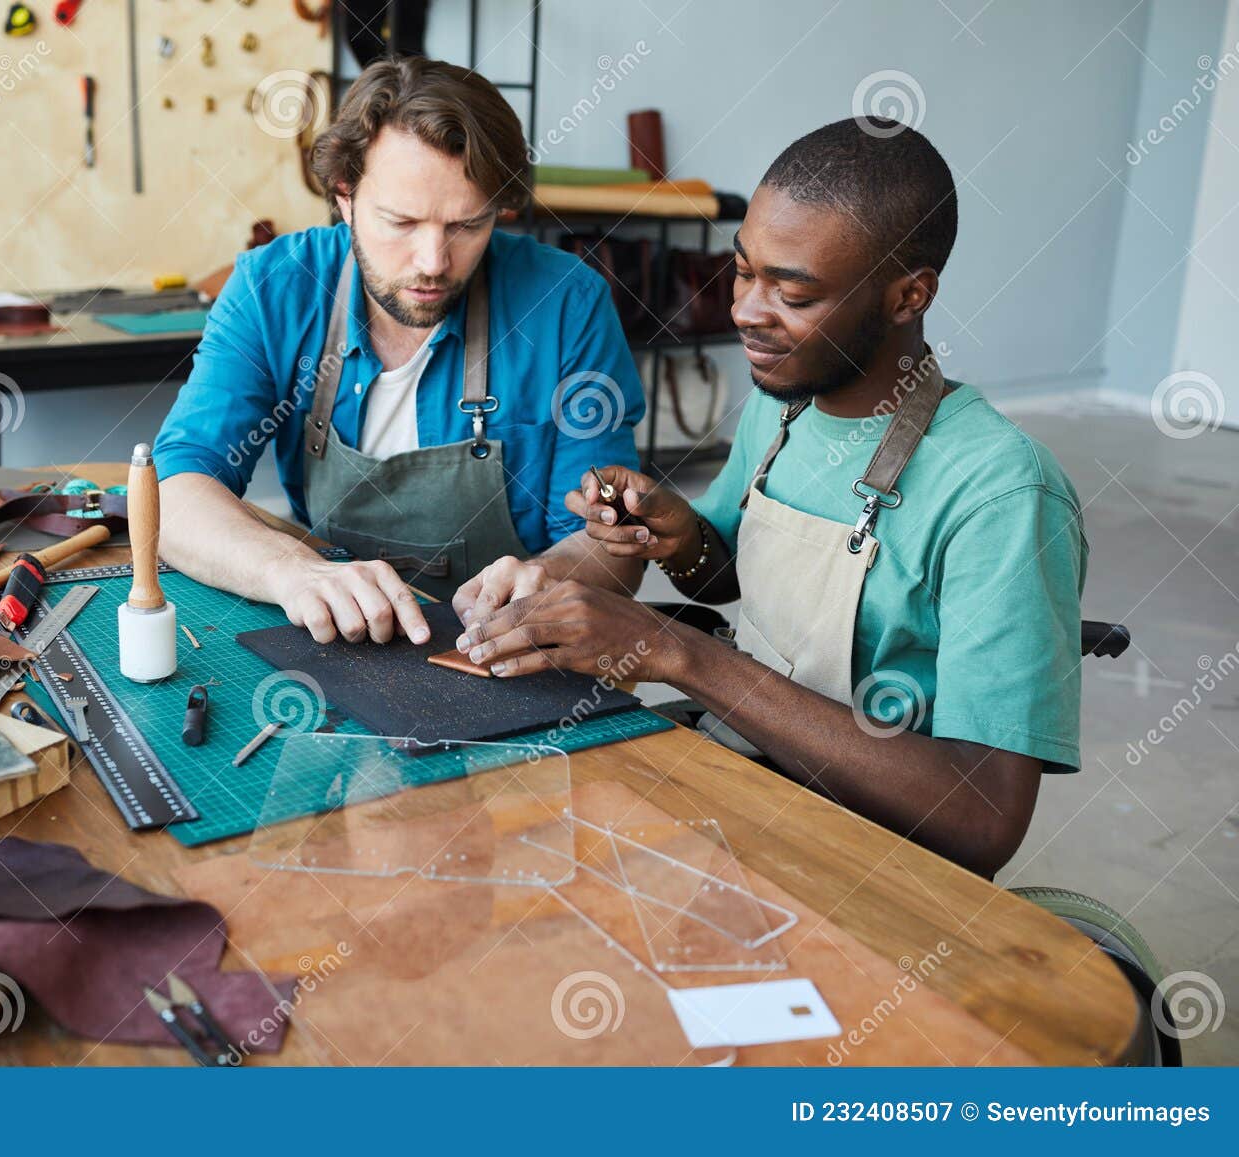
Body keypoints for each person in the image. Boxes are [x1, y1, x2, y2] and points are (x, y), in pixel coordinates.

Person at [455, 117, 1089, 878]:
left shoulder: (1001, 493)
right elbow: (729, 579)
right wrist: (681, 534)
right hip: (742, 771)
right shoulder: (786, 402)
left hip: (876, 855)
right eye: (744, 271)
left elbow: (981, 818)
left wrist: (677, 652)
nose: (746, 311)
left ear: (907, 295)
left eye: (792, 292)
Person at [151, 57, 647, 646]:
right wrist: (291, 571)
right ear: (344, 196)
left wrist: (552, 574)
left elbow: (611, 540)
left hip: (515, 651)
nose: (434, 262)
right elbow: (174, 491)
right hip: (337, 645)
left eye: (467, 225)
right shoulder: (274, 287)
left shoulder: (567, 302)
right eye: (401, 222)